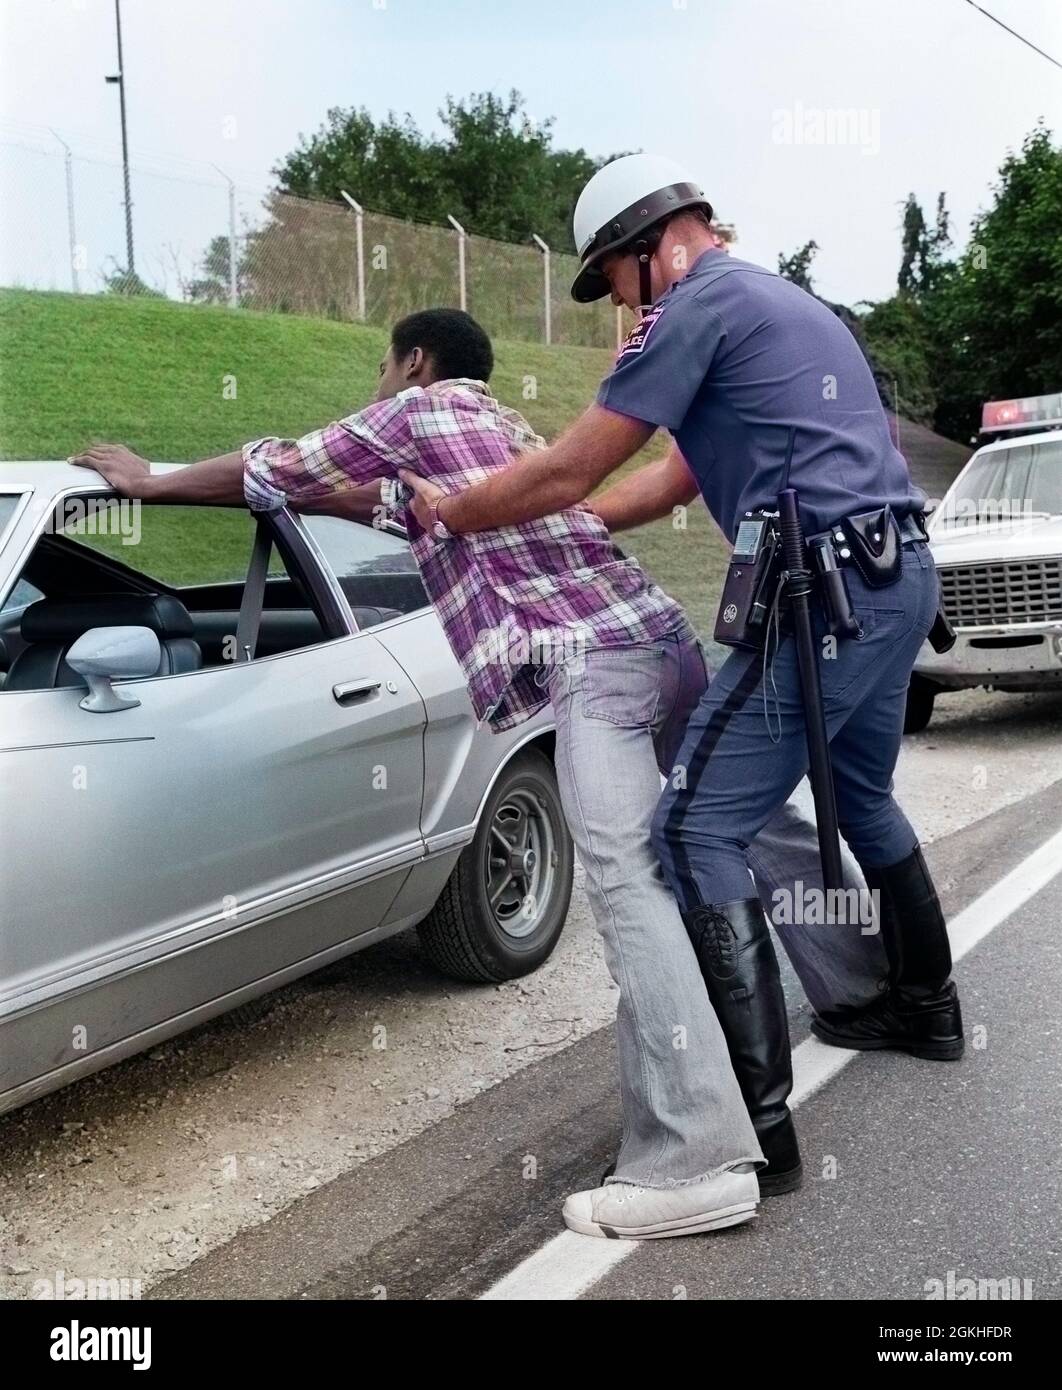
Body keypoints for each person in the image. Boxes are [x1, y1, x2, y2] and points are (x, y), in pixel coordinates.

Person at [70, 307, 882, 1241]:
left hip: (598, 669)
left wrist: (152, 482)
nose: (376, 383)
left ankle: (702, 1155)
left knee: (626, 881)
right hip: (662, 642)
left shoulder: (416, 413)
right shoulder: (504, 430)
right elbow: (357, 503)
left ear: (413, 361)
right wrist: (289, 495)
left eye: (383, 363)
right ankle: (863, 978)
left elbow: (279, 465)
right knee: (751, 825)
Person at [399, 156, 965, 1217]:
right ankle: (922, 1006)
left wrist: (458, 511)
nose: (617, 303)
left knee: (695, 829)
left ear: (651, 246)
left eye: (612, 278)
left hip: (822, 594)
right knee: (870, 797)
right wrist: (579, 526)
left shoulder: (689, 310)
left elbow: (572, 462)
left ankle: (747, 1135)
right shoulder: (788, 304)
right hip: (895, 578)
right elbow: (671, 476)